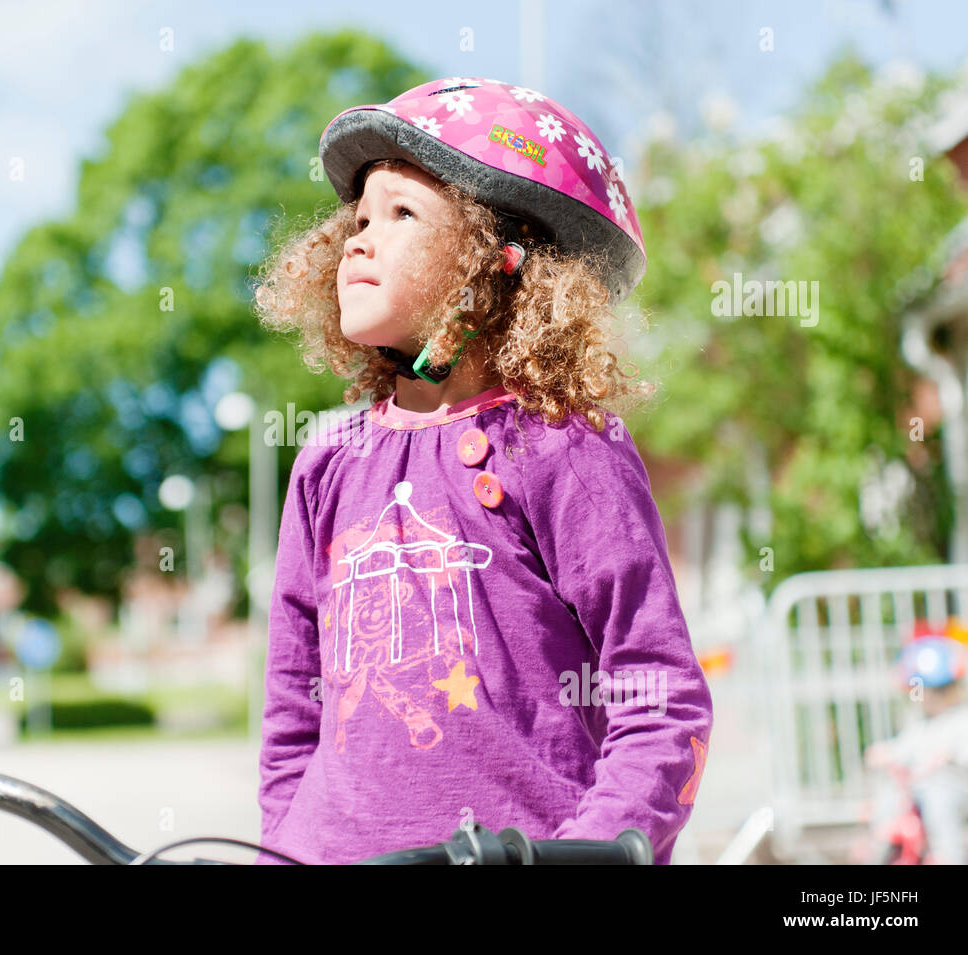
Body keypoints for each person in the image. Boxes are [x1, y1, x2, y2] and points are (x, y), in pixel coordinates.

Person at [250, 76, 714, 865]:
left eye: (402, 215)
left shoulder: (561, 445)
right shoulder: (325, 464)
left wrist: (591, 849)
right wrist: (283, 849)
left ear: (496, 265)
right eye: (359, 218)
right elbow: (295, 714)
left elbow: (658, 698)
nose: (360, 238)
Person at [863, 632, 968, 864]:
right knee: (888, 798)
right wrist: (884, 753)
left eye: (936, 692)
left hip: (953, 788)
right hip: (915, 789)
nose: (925, 698)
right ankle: (878, 850)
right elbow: (905, 748)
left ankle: (948, 857)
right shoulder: (920, 724)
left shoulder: (961, 720)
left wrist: (948, 757)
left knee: (938, 801)